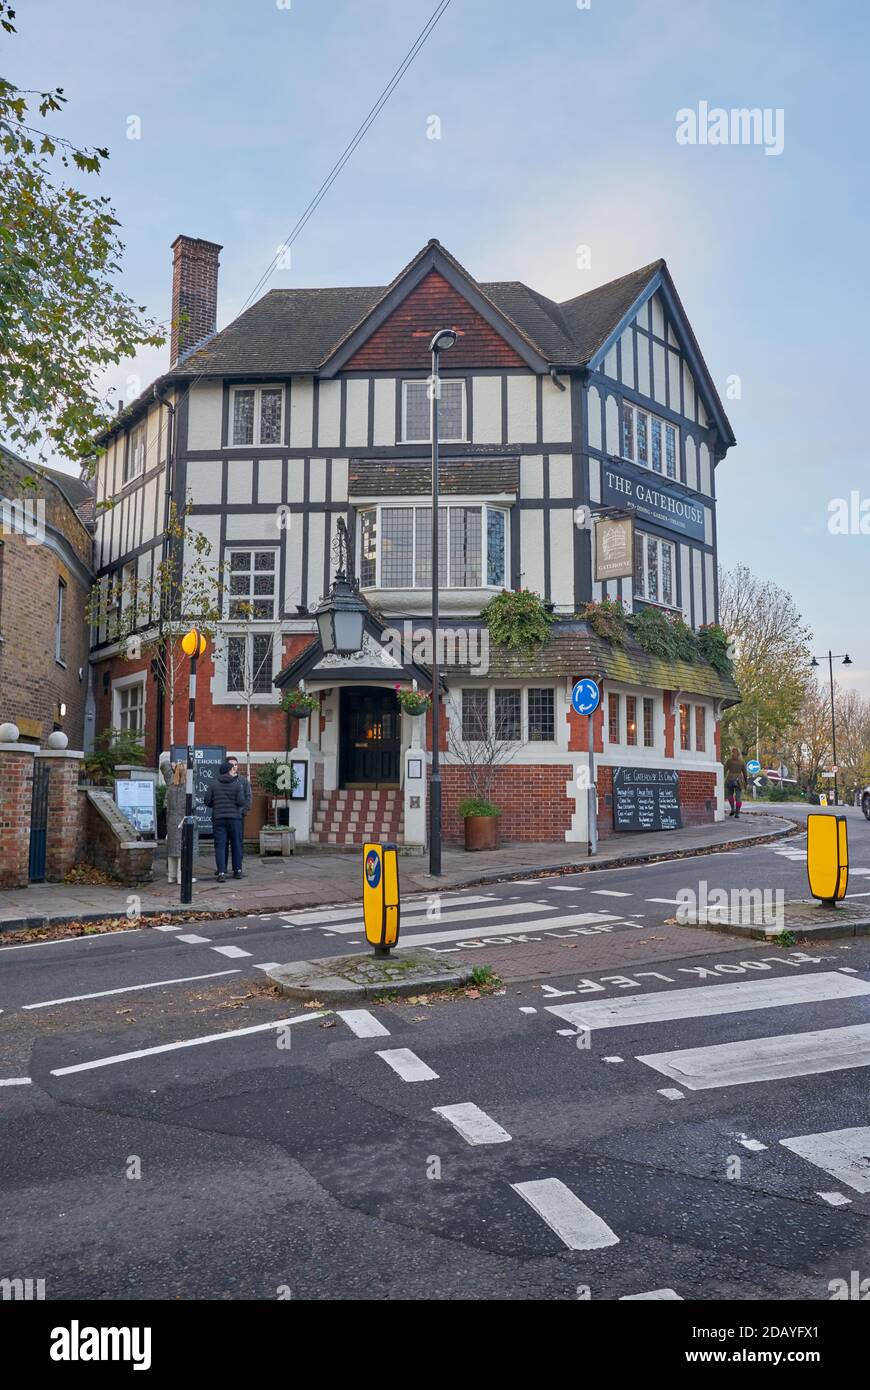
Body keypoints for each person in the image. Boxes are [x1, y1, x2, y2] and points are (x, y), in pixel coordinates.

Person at [204, 760, 246, 882]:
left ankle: (221, 872)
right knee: (236, 845)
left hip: (219, 819)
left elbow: (207, 801)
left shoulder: (213, 784)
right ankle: (237, 871)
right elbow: (241, 802)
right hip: (234, 819)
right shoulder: (238, 785)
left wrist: (216, 804)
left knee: (220, 846)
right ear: (229, 770)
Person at [165, 762, 187, 884]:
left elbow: (167, 806)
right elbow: (193, 804)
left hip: (172, 820)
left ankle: (171, 876)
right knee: (182, 850)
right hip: (183, 820)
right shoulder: (188, 787)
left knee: (172, 849)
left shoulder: (170, 787)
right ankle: (181, 877)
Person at [723, 746, 748, 818]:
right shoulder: (742, 762)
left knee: (729, 795)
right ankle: (737, 813)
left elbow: (724, 770)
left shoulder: (729, 761)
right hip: (739, 780)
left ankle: (732, 808)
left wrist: (721, 779)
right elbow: (745, 773)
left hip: (729, 779)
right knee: (738, 797)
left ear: (732, 753)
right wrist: (746, 782)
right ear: (739, 753)